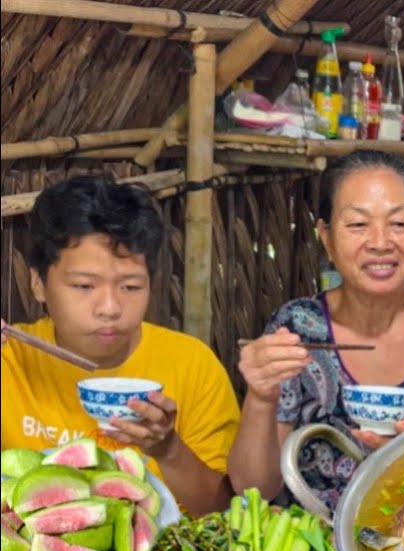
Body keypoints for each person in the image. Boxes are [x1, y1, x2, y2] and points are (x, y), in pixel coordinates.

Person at [228, 151, 404, 511]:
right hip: (309, 548)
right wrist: (260, 397)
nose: (380, 242)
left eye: (399, 224)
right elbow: (254, 488)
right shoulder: (296, 329)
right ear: (327, 237)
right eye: (357, 225)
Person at [0, 176, 240, 516]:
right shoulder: (9, 357)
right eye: (84, 286)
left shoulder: (192, 365)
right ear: (37, 283)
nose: (110, 308)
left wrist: (168, 449)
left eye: (130, 287)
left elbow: (222, 510)